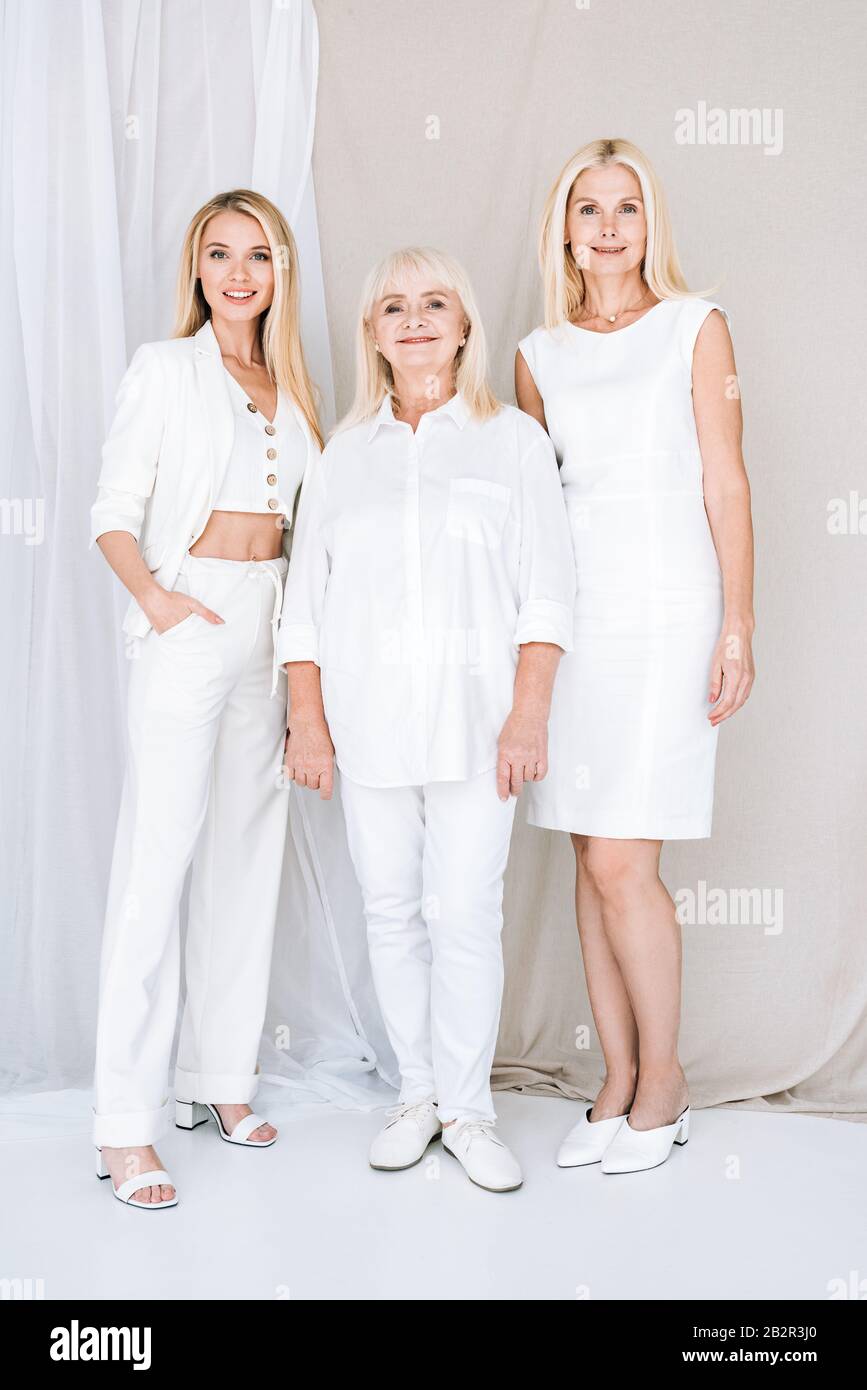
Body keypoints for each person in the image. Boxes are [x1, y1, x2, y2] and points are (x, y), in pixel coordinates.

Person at [279, 247, 575, 1193]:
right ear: (373, 332)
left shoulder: (513, 443)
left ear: (461, 326)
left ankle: (469, 1109)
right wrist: (308, 722)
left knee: (465, 916)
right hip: (366, 730)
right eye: (393, 305)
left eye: (433, 303)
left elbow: (547, 596)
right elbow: (304, 608)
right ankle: (414, 1097)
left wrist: (527, 716)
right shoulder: (340, 459)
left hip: (477, 728)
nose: (414, 319)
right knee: (389, 913)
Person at [516, 139, 755, 1175]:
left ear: (650, 222)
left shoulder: (696, 328)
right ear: (564, 227)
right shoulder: (537, 352)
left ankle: (668, 1082)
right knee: (584, 846)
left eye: (627, 206)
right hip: (577, 617)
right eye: (589, 207)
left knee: (627, 856)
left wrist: (738, 621)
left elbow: (727, 484)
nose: (609, 225)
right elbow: (532, 508)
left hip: (665, 611)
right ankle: (614, 1078)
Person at [90, 189, 322, 1208]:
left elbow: (310, 533)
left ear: (280, 271)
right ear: (197, 268)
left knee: (246, 856)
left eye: (258, 255)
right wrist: (159, 599)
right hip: (190, 621)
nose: (239, 272)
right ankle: (123, 1126)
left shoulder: (296, 387)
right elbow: (112, 512)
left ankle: (219, 1079)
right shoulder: (165, 368)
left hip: (271, 630)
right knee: (157, 864)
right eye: (220, 253)